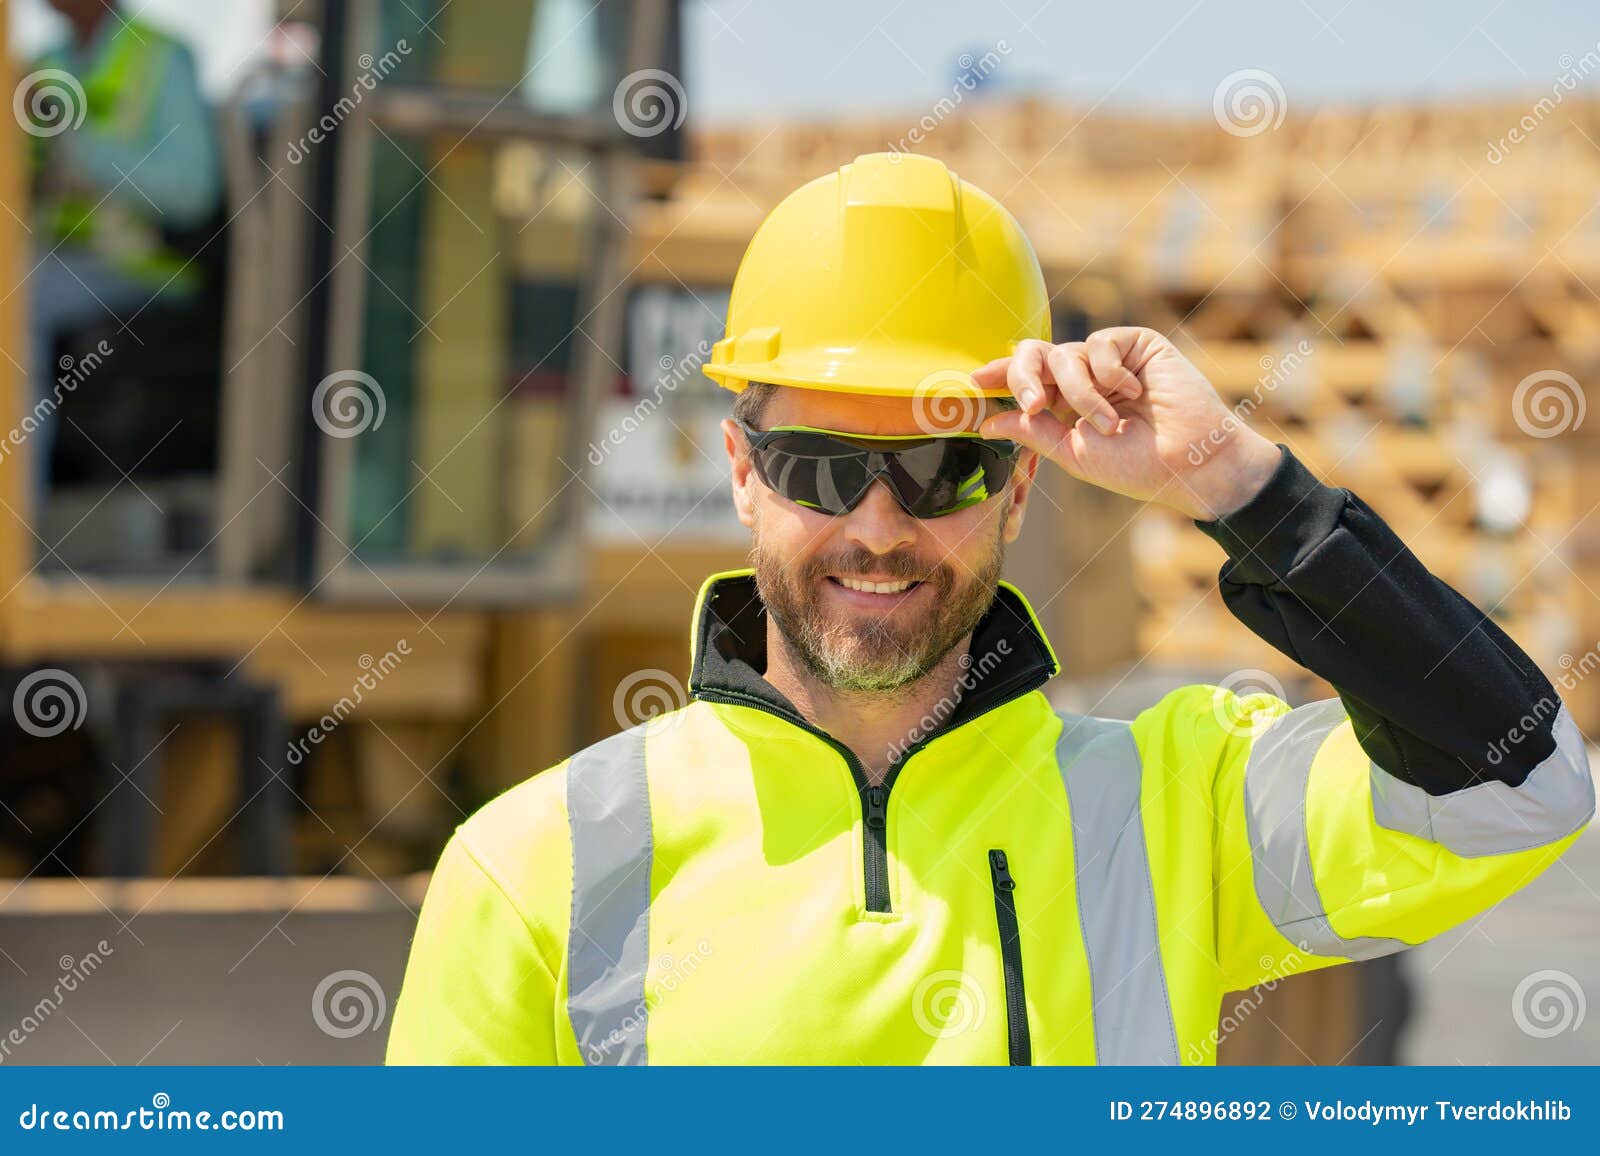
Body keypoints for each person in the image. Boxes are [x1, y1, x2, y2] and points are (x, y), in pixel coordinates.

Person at [387, 153, 1593, 1065]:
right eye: (815, 462)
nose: (874, 524)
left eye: (939, 468)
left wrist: (1234, 483)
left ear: (1021, 483)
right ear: (741, 472)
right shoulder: (538, 863)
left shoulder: (1171, 812)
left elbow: (1518, 784)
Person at [20, 0, 221, 500]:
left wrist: (85, 155)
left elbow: (193, 192)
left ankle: (17, 513)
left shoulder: (163, 58)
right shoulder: (41, 66)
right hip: (54, 258)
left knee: (16, 307)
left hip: (145, 266)